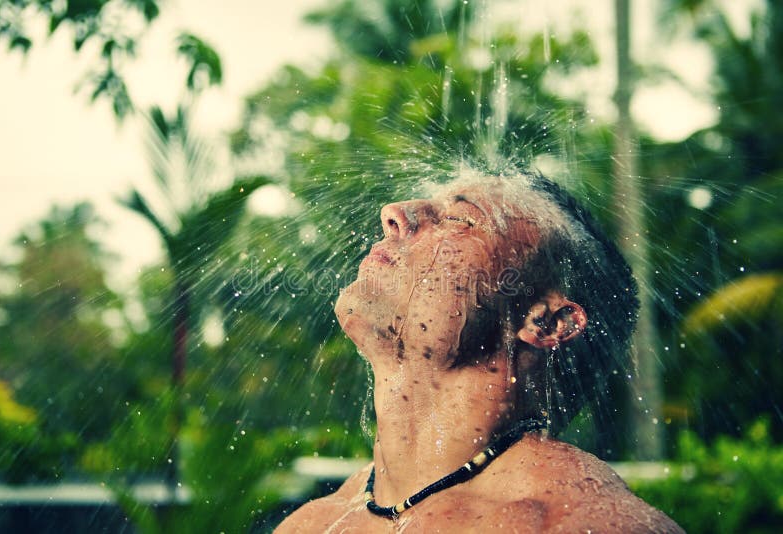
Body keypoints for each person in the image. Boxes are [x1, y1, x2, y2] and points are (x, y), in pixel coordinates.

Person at [276, 171, 683, 533]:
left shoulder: (579, 522)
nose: (394, 214)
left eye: (458, 220)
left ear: (546, 322)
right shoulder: (313, 523)